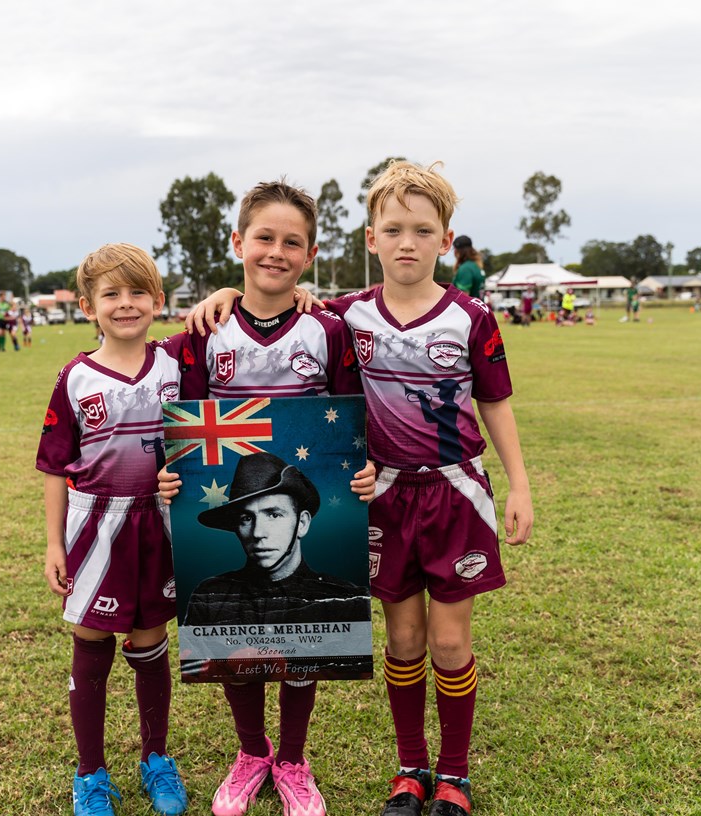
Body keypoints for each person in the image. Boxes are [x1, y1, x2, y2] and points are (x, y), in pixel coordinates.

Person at [190, 161, 533, 816]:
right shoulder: (345, 316)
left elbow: (495, 401)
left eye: (423, 231)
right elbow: (275, 301)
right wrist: (225, 295)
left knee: (450, 643)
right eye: (393, 230)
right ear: (371, 239)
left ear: (445, 240)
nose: (408, 242)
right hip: (384, 495)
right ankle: (410, 770)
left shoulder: (472, 316)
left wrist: (519, 484)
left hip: (455, 491)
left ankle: (454, 776)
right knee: (402, 639)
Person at [159, 179, 375, 816]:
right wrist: (169, 472)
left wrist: (362, 471)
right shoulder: (206, 331)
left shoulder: (328, 330)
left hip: (299, 500)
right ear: (238, 242)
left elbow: (349, 426)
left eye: (291, 242)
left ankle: (294, 760)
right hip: (240, 494)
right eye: (264, 238)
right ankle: (252, 751)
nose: (276, 252)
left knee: (305, 641)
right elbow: (179, 421)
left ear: (310, 254)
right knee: (237, 637)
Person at [37, 244, 189, 816]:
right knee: (92, 639)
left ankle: (156, 759)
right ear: (87, 306)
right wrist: (54, 543)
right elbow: (55, 465)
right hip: (95, 527)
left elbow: (228, 313)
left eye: (137, 292)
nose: (126, 304)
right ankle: (90, 773)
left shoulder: (176, 362)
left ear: (158, 300)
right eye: (111, 294)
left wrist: (225, 293)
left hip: (160, 522)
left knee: (150, 639)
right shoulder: (75, 377)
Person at [184, 452, 370, 628]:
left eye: (274, 514)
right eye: (246, 518)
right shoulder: (210, 598)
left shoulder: (347, 600)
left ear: (302, 523)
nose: (258, 533)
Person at [450, 236, 485, 300]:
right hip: (478, 305)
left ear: (458, 251)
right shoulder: (476, 266)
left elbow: (463, 299)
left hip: (468, 306)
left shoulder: (466, 269)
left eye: (454, 249)